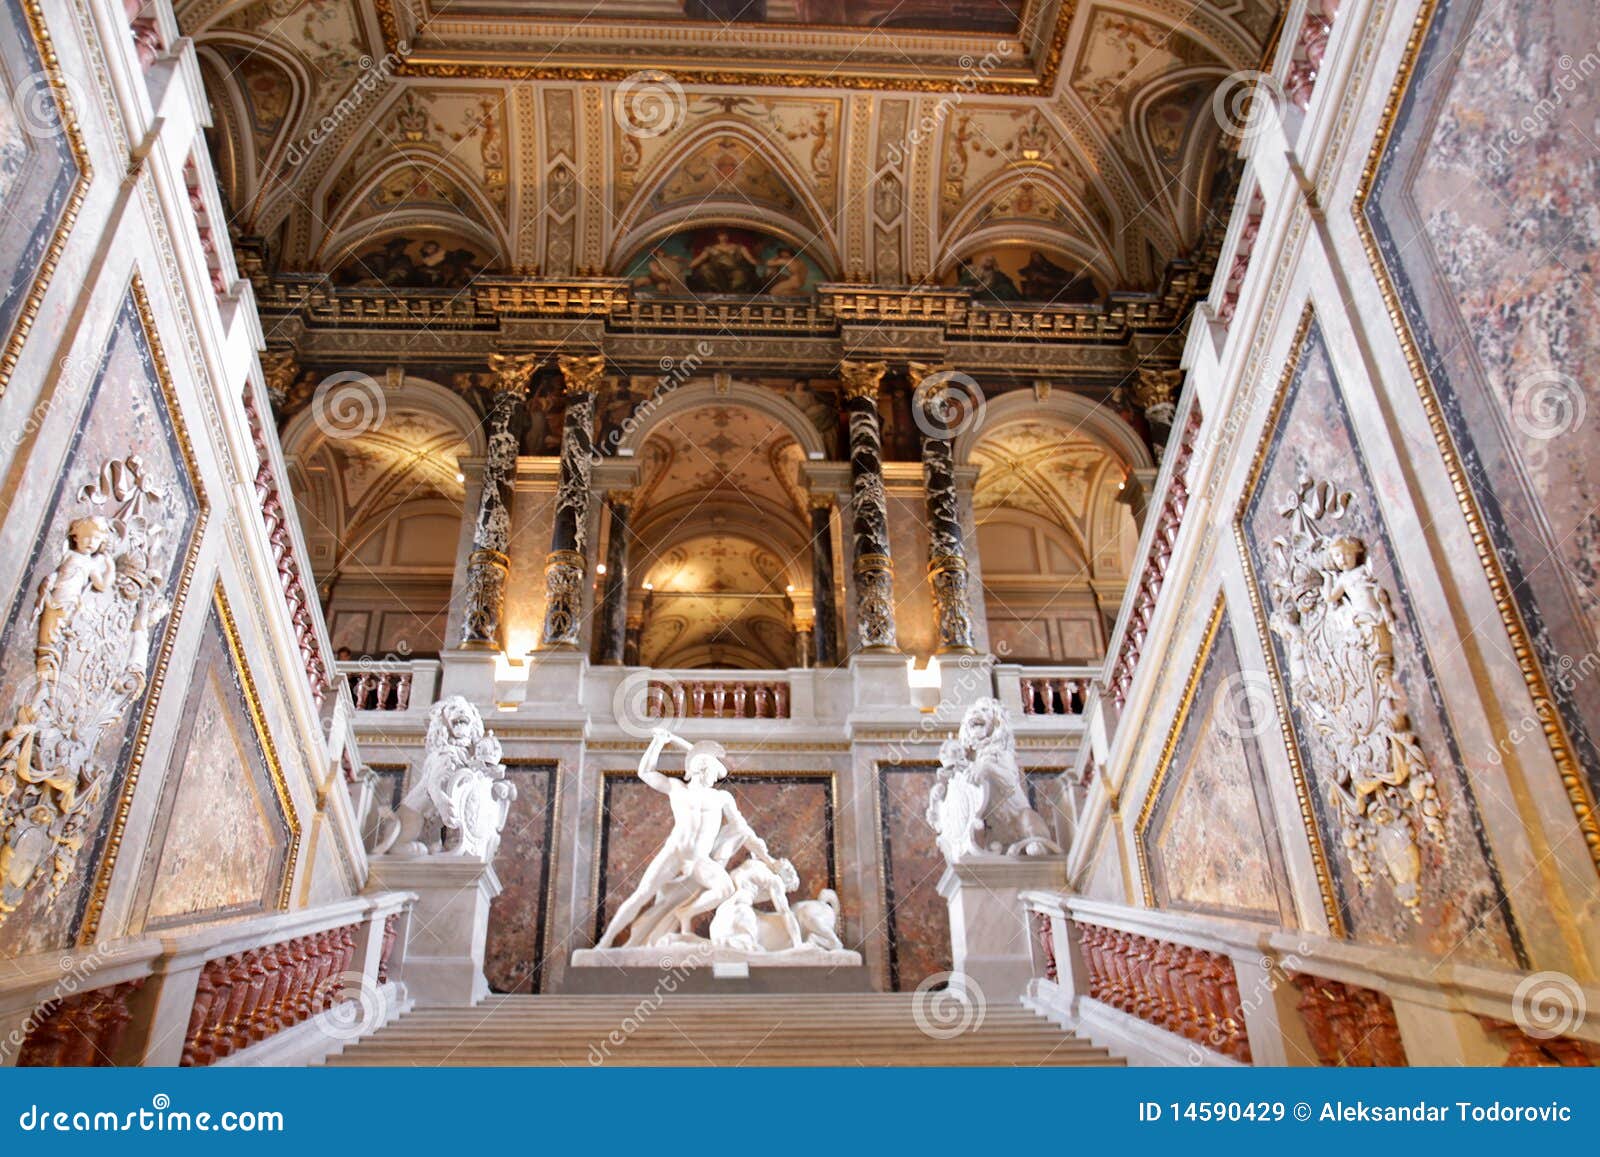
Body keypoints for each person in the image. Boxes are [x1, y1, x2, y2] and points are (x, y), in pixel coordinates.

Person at [595, 727, 781, 948]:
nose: (715, 778)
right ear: (700, 769)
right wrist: (658, 743)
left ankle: (685, 913)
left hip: (700, 860)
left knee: (725, 888)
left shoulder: (721, 798)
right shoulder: (677, 789)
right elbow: (645, 772)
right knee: (642, 894)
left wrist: (767, 859)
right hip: (675, 852)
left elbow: (743, 829)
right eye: (713, 772)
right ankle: (604, 945)